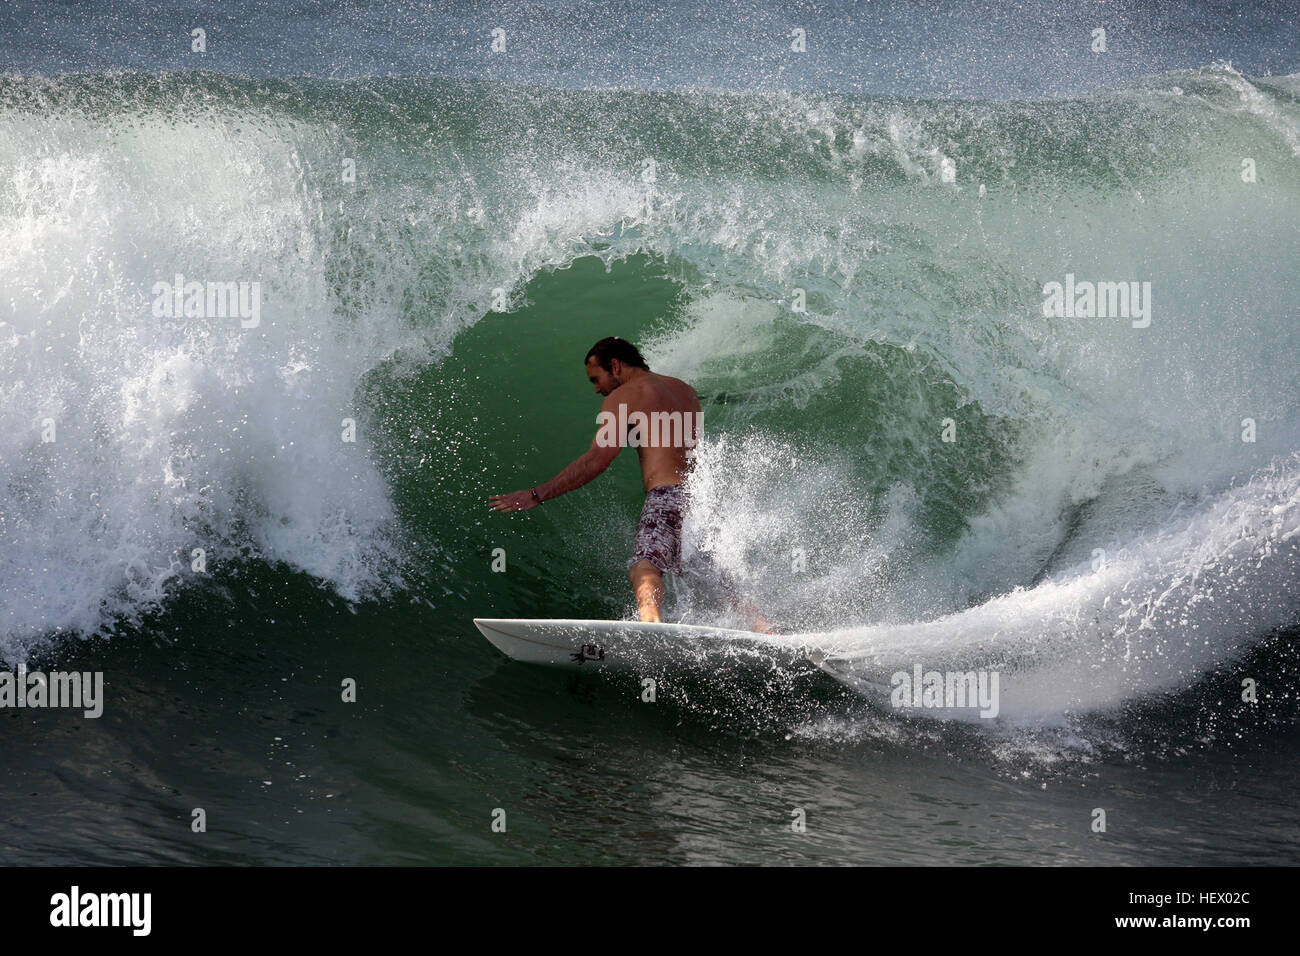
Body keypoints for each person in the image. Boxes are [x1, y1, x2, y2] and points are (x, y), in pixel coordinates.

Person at [488, 336, 773, 631]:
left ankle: (651, 627)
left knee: (644, 567)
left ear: (615, 366)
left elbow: (597, 460)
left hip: (667, 496)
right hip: (702, 496)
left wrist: (537, 494)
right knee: (712, 576)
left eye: (596, 379)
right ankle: (763, 626)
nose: (597, 389)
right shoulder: (684, 390)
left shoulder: (623, 397)